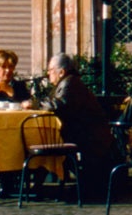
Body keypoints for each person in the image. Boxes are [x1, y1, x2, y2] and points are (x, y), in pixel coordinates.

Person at [45, 54, 119, 198]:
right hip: (86, 133)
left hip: (88, 136)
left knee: (48, 143)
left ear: (61, 71)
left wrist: (36, 104)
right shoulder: (69, 81)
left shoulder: (69, 83)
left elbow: (59, 105)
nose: (48, 74)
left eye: (50, 70)